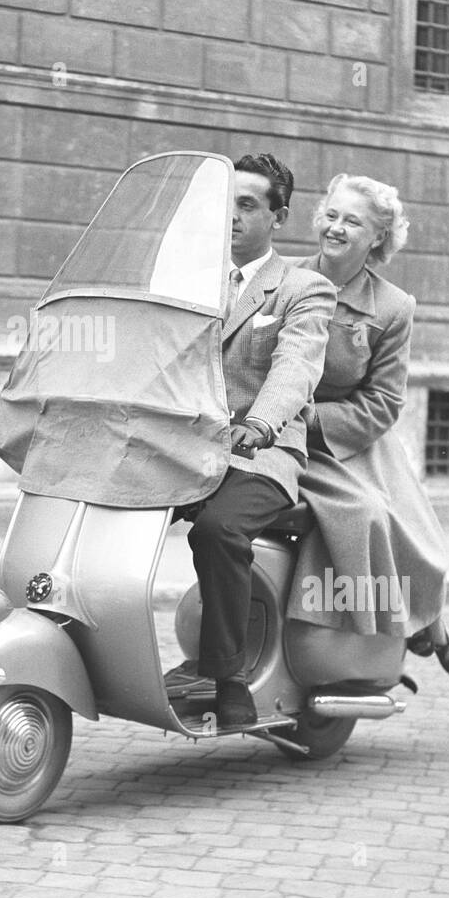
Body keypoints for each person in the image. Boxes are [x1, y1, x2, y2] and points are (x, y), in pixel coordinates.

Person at [164, 155, 336, 728]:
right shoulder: (187, 280)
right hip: (183, 448)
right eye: (225, 202)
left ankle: (227, 675)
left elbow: (296, 365)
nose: (231, 216)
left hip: (260, 454)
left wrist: (260, 425)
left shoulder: (303, 288)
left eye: (247, 204)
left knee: (218, 529)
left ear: (277, 216)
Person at [289, 173, 449, 681]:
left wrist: (313, 421)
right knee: (362, 518)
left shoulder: (393, 307)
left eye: (353, 222)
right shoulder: (281, 279)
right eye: (331, 214)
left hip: (349, 438)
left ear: (377, 239)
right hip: (274, 432)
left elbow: (385, 401)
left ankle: (426, 626)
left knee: (393, 522)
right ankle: (417, 627)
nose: (336, 228)